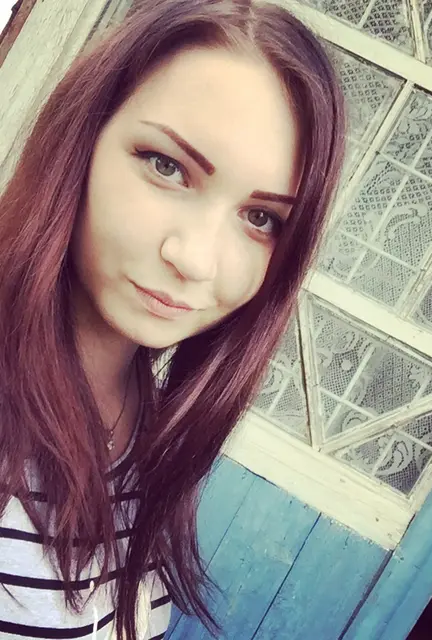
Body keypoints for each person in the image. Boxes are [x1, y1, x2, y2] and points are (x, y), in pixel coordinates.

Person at [0, 0, 345, 638]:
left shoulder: (150, 422)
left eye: (260, 218)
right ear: (83, 138)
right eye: (167, 166)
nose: (194, 259)